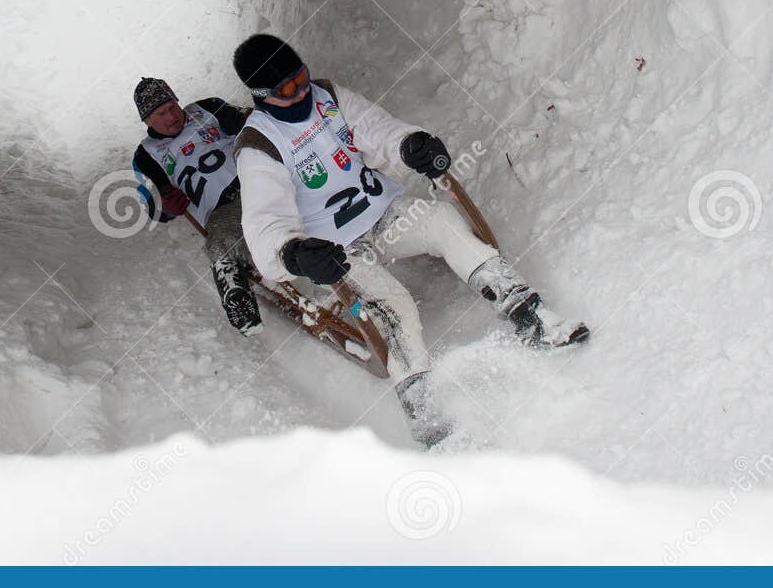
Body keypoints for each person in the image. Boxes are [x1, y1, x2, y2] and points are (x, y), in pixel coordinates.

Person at [230, 33, 588, 443]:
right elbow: (266, 222)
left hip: (383, 214)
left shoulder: (328, 95)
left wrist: (410, 144)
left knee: (442, 221)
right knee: (392, 305)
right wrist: (293, 254)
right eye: (285, 90)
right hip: (336, 251)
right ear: (262, 96)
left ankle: (528, 313)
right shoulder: (259, 147)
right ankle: (426, 416)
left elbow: (377, 129)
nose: (299, 93)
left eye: (301, 78)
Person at [131, 77, 261, 336]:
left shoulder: (207, 108)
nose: (171, 116)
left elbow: (250, 123)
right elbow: (152, 205)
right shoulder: (146, 156)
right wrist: (166, 206)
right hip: (222, 207)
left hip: (259, 178)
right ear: (146, 121)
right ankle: (237, 298)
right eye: (160, 114)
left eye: (172, 107)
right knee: (222, 241)